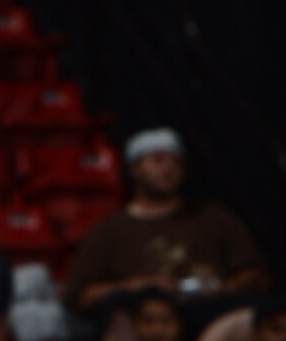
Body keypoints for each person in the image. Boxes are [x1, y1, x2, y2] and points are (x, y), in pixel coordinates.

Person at [65, 131, 265, 325]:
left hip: (211, 315)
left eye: (175, 161)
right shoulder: (109, 229)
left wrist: (223, 287)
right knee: (120, 308)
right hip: (142, 326)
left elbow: (257, 275)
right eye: (158, 160)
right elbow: (81, 297)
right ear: (135, 169)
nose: (168, 168)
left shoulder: (214, 217)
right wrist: (139, 286)